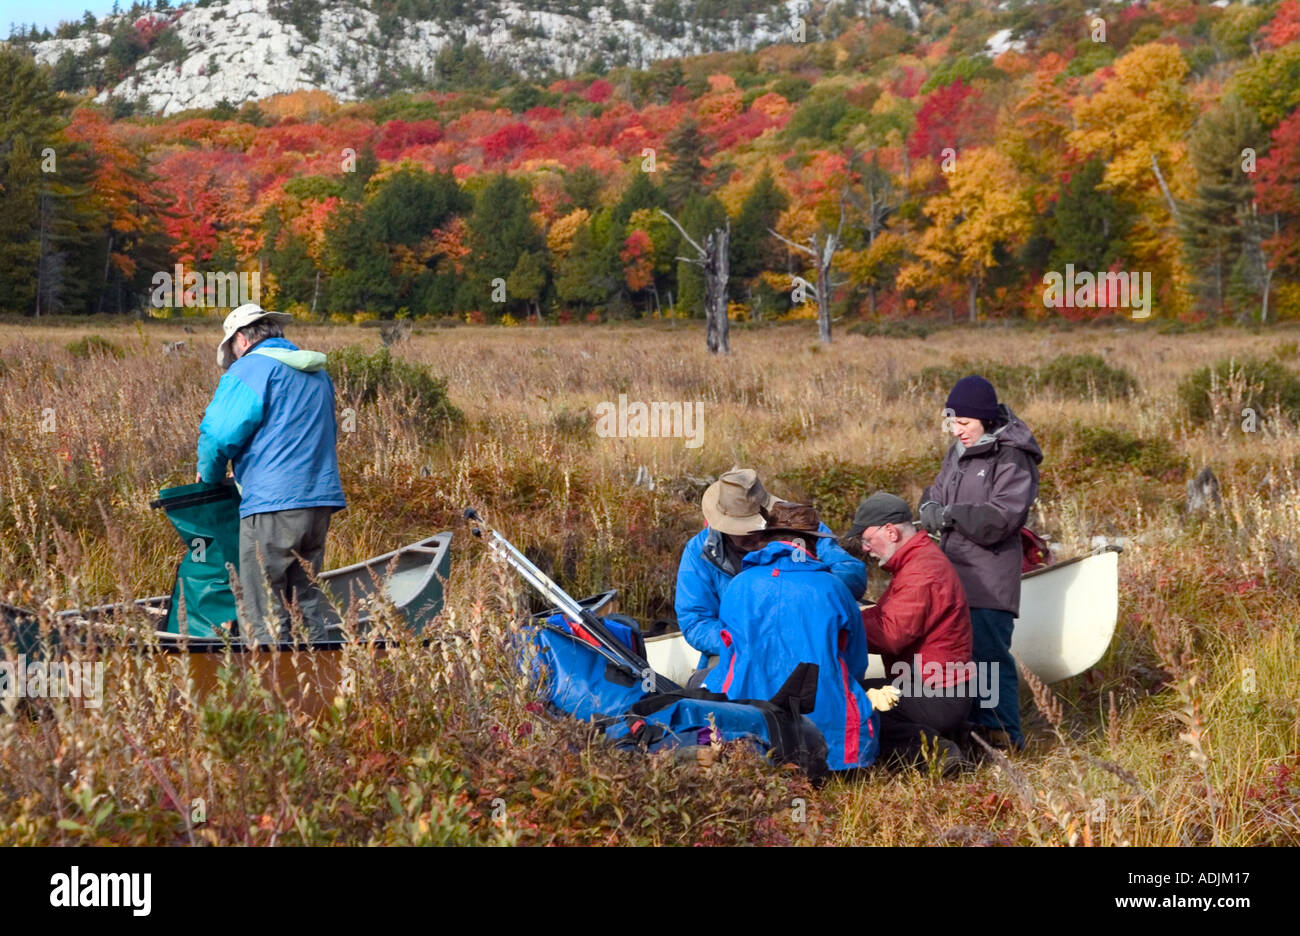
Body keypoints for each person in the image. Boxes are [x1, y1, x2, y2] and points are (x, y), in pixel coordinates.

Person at [196, 303, 346, 646]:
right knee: (305, 602)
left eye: (232, 349)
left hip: (271, 506)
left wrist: (211, 477)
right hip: (319, 503)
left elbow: (218, 436)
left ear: (241, 340)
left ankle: (270, 686)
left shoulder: (250, 370)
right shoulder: (317, 373)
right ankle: (316, 683)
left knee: (263, 604)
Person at [703, 509, 883, 771]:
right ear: (811, 542)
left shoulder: (739, 586)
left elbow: (729, 656)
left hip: (748, 728)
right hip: (833, 748)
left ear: (768, 539)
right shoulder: (834, 588)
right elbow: (856, 664)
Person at [918, 375, 1042, 750]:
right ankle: (972, 737)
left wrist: (949, 514)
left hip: (990, 579)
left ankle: (1005, 739)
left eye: (964, 423)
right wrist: (928, 507)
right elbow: (934, 492)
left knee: (989, 657)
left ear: (986, 419)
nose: (957, 431)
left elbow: (1004, 516)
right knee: (960, 657)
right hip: (953, 575)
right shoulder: (957, 452)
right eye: (952, 423)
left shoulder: (1013, 456)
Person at [674, 468, 867, 669]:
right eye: (739, 528)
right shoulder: (698, 552)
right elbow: (695, 622)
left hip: (806, 643)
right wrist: (745, 641)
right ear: (721, 524)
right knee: (712, 689)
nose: (751, 533)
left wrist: (805, 594)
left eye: (755, 524)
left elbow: (852, 574)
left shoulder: (799, 527)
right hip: (735, 650)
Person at [849, 493, 973, 773]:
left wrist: (842, 623)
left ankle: (942, 756)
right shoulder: (917, 561)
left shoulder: (921, 571)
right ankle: (962, 738)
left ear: (891, 532)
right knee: (865, 686)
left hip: (937, 690)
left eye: (868, 540)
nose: (866, 548)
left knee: (855, 701)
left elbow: (892, 636)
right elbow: (888, 617)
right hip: (934, 683)